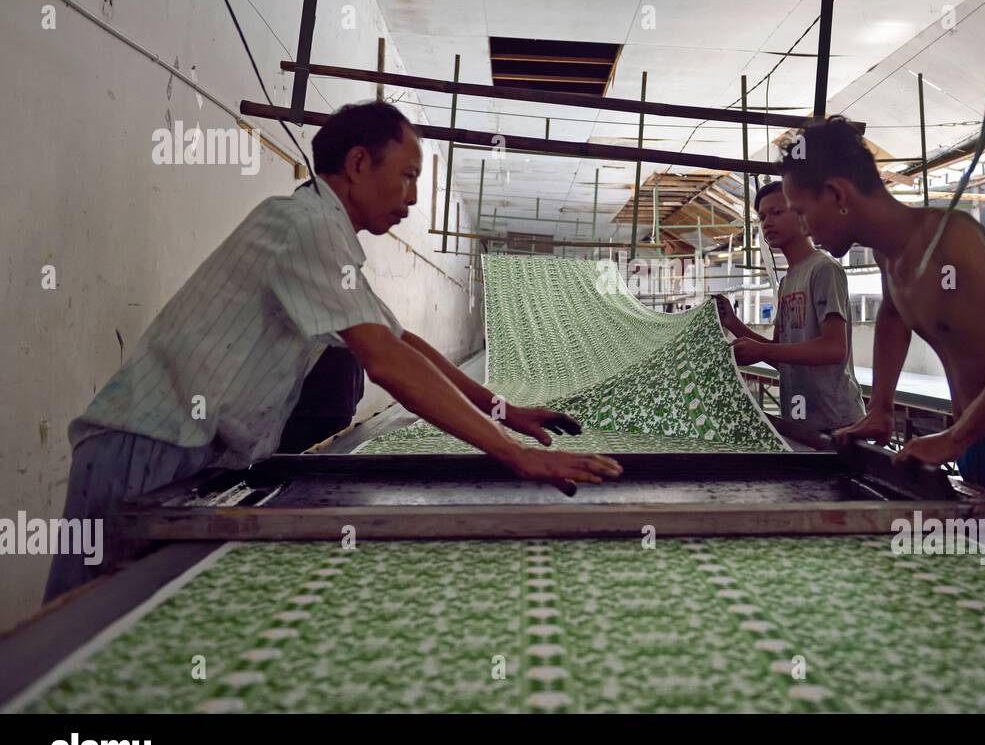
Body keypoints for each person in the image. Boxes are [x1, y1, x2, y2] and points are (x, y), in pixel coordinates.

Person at [47, 101, 621, 600]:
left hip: (183, 450)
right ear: (357, 164)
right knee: (81, 627)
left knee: (133, 621)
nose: (412, 198)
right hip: (146, 444)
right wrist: (514, 455)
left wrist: (505, 412)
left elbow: (402, 342)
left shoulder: (324, 235)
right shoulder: (307, 226)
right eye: (406, 176)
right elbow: (386, 362)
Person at [778, 116, 985, 523]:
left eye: (802, 212)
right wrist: (880, 407)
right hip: (976, 448)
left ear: (836, 193)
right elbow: (893, 315)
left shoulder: (950, 239)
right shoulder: (887, 253)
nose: (803, 227)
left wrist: (954, 437)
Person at [715, 180, 865, 436]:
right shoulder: (787, 282)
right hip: (803, 421)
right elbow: (782, 357)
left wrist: (761, 349)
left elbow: (834, 349)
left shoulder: (824, 269)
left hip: (837, 423)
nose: (767, 223)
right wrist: (734, 324)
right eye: (762, 217)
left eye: (777, 212)